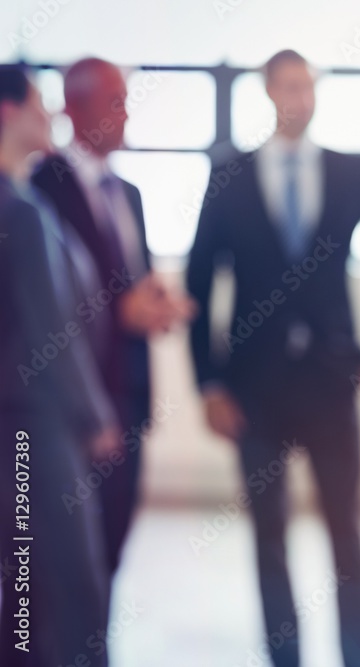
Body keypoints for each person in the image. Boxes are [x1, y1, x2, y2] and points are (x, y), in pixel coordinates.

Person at [185, 49, 360, 667]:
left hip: (330, 385)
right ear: (268, 92)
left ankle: (359, 657)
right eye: (288, 87)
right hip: (252, 390)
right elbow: (199, 282)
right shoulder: (229, 175)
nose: (299, 98)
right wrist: (207, 382)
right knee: (268, 535)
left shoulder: (349, 171)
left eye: (308, 87)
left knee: (346, 530)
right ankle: (284, 657)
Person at [31, 57, 193, 576]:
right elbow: (39, 301)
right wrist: (116, 311)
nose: (125, 115)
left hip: (129, 398)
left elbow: (128, 283)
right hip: (69, 403)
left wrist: (155, 303)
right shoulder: (39, 189)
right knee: (61, 564)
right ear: (75, 110)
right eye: (114, 101)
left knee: (113, 546)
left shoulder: (130, 194)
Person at [0, 65, 116, 667]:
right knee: (73, 586)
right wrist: (96, 415)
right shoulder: (18, 211)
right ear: (6, 112)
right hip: (34, 431)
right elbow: (54, 330)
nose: (50, 118)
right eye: (39, 106)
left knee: (20, 587)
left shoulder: (22, 202)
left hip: (19, 426)